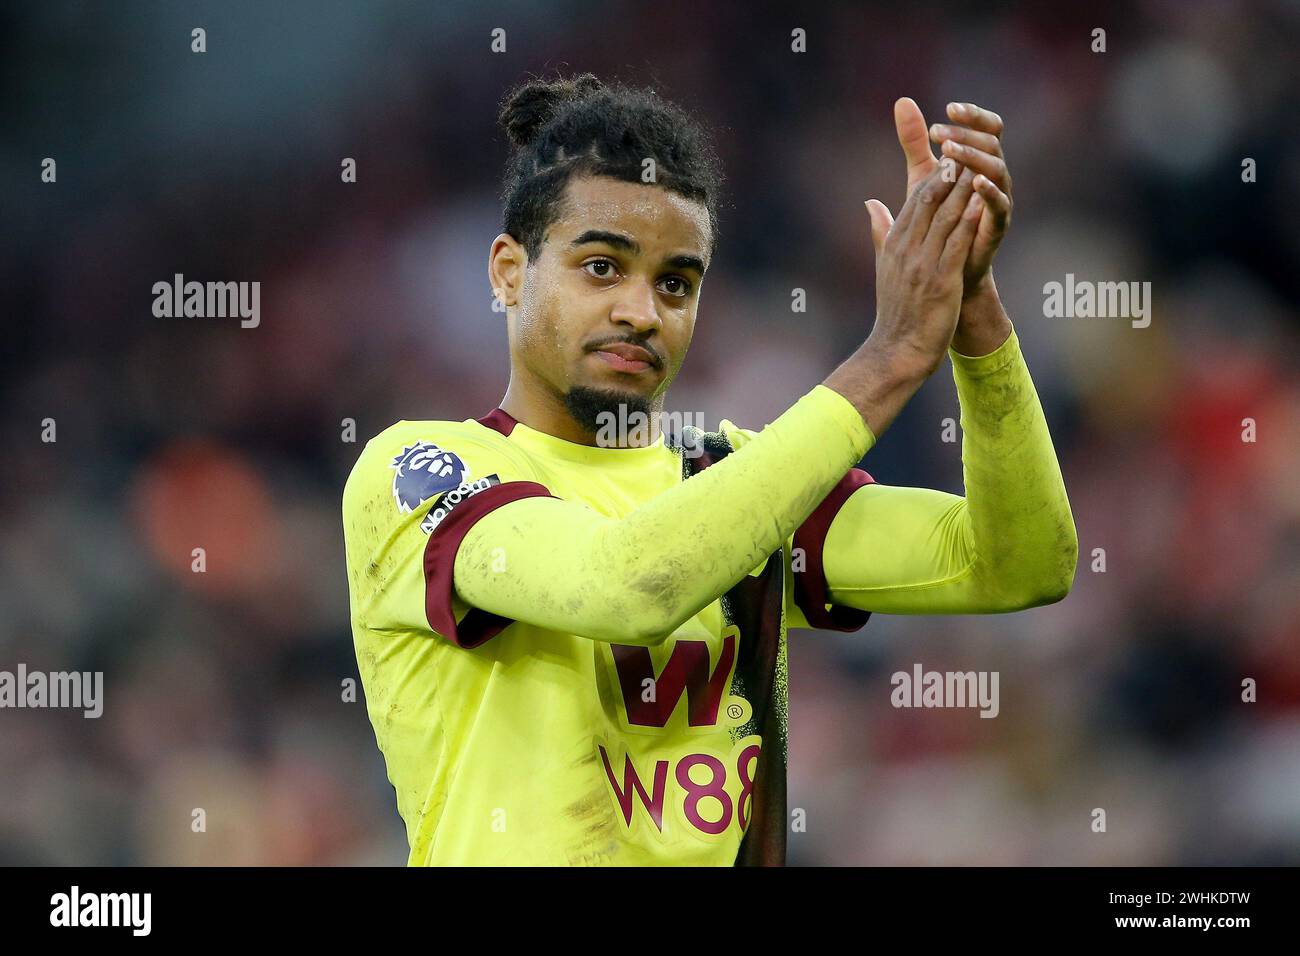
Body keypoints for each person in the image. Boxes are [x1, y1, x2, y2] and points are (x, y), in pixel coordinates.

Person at [342, 73, 1077, 866]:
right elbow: (625, 586)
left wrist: (975, 323)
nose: (641, 311)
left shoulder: (737, 480)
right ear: (508, 272)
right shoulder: (421, 471)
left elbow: (1018, 564)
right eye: (601, 267)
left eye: (675, 282)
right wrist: (892, 357)